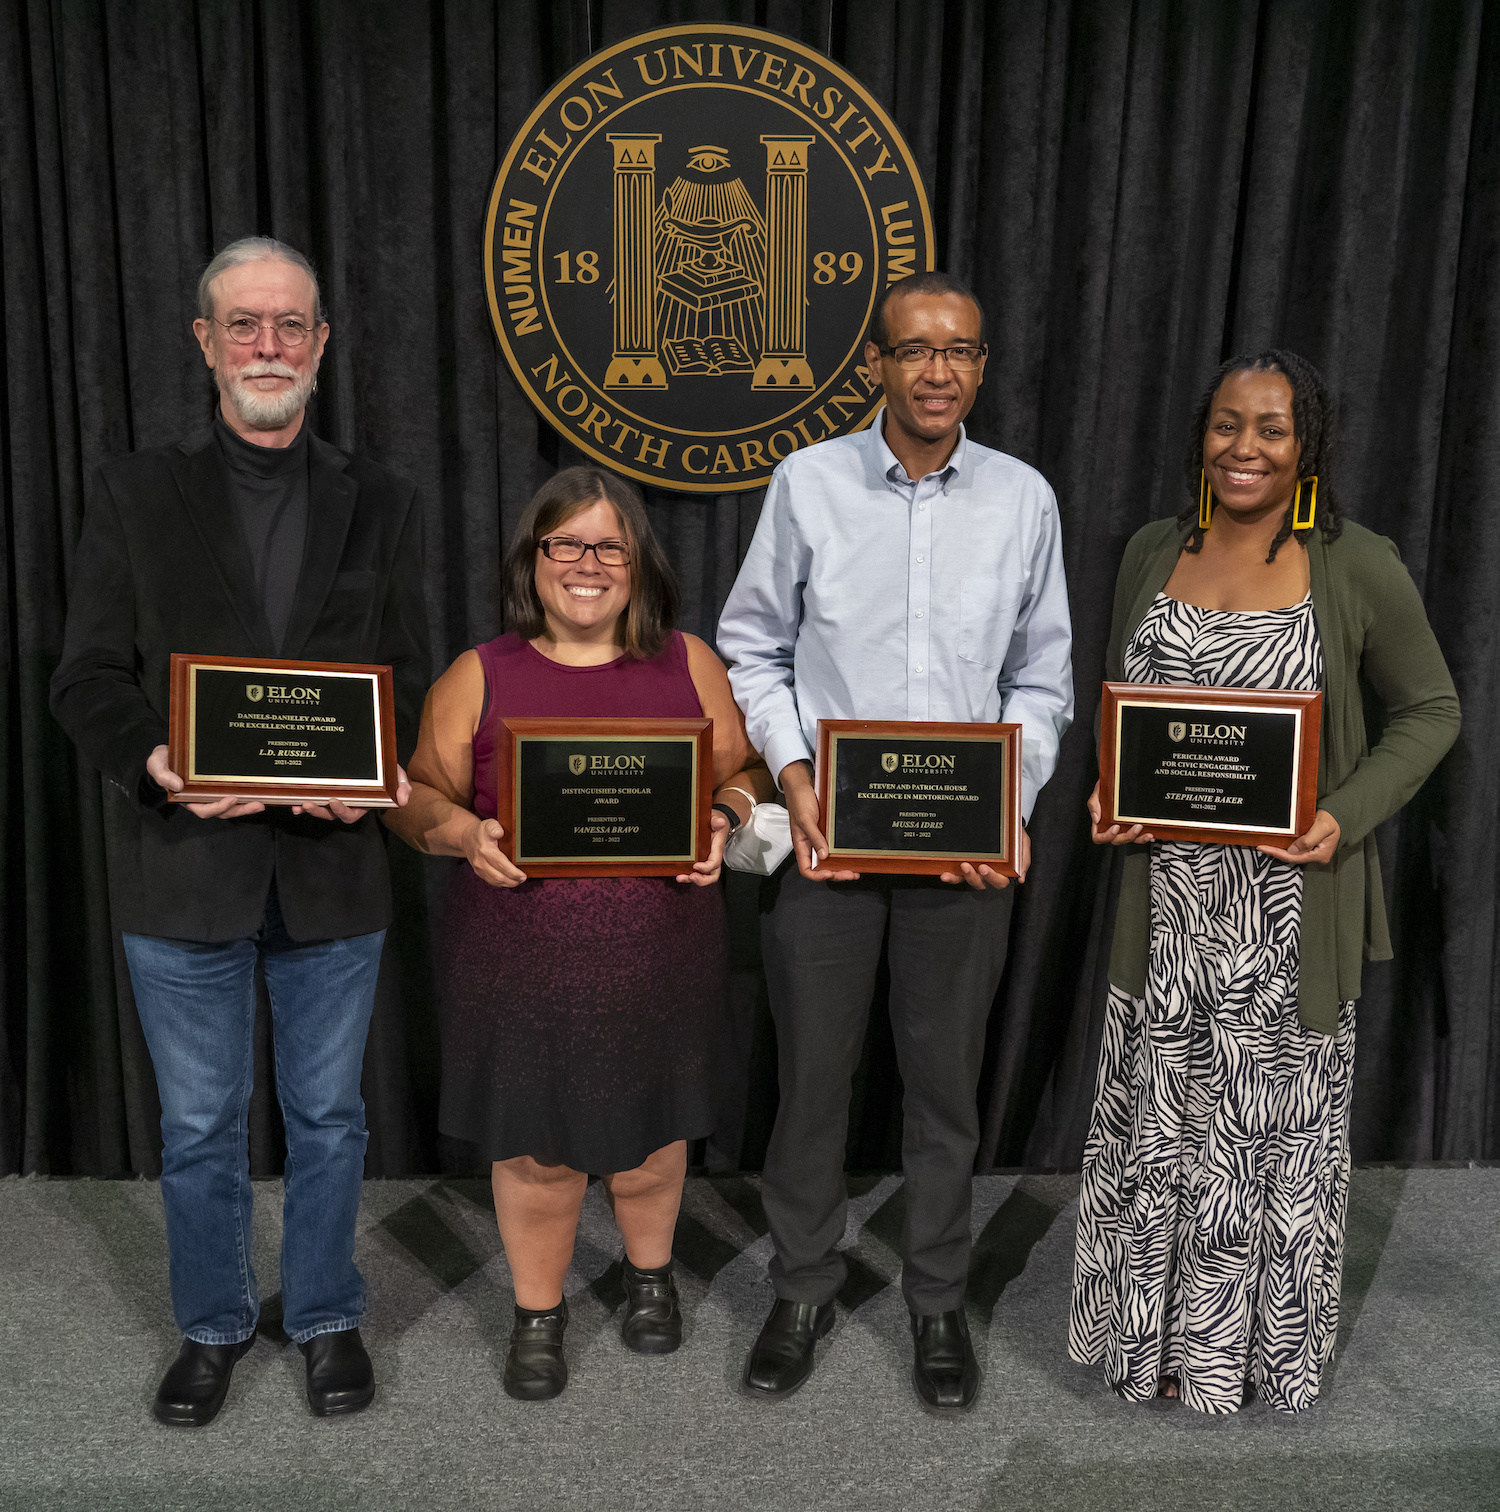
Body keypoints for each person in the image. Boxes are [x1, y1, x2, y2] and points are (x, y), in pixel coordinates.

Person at [49, 237, 428, 1426]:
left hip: (332, 869)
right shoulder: (131, 492)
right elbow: (86, 678)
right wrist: (158, 767)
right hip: (184, 864)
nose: (270, 345)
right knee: (201, 1124)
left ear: (322, 345)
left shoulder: (389, 501)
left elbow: (407, 676)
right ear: (205, 343)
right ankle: (212, 1324)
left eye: (292, 325)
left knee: (331, 1117)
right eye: (245, 324)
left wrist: (370, 773)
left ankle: (321, 1317)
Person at [1069, 350, 1460, 1415]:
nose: (1245, 447)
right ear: (1202, 434)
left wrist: (1344, 816)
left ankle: (1246, 1360)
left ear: (1309, 446)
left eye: (1273, 429)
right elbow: (1124, 709)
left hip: (1288, 916)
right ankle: (1148, 1350)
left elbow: (1433, 710)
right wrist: (1110, 789)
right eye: (1228, 424)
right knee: (1159, 1128)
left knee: (1259, 1144)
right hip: (1170, 907)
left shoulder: (1355, 563)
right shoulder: (1154, 551)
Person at [716, 271, 1074, 1411]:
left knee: (944, 1089)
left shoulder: (1024, 499)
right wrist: (797, 777)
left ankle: (934, 1304)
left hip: (967, 856)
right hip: (827, 846)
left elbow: (1043, 676)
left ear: (980, 366)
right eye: (914, 350)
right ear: (875, 363)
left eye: (958, 351)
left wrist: (1008, 806)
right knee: (814, 1081)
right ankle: (804, 1284)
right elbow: (752, 646)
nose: (936, 370)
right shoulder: (808, 483)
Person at [385, 465, 773, 1402]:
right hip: (521, 960)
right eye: (568, 543)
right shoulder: (480, 673)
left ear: (638, 563)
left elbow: (746, 770)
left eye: (611, 545)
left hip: (661, 957)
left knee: (654, 1141)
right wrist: (460, 832)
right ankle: (538, 1312)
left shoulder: (688, 662)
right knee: (535, 1150)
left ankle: (648, 1282)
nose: (588, 564)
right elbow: (415, 800)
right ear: (536, 558)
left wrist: (723, 818)